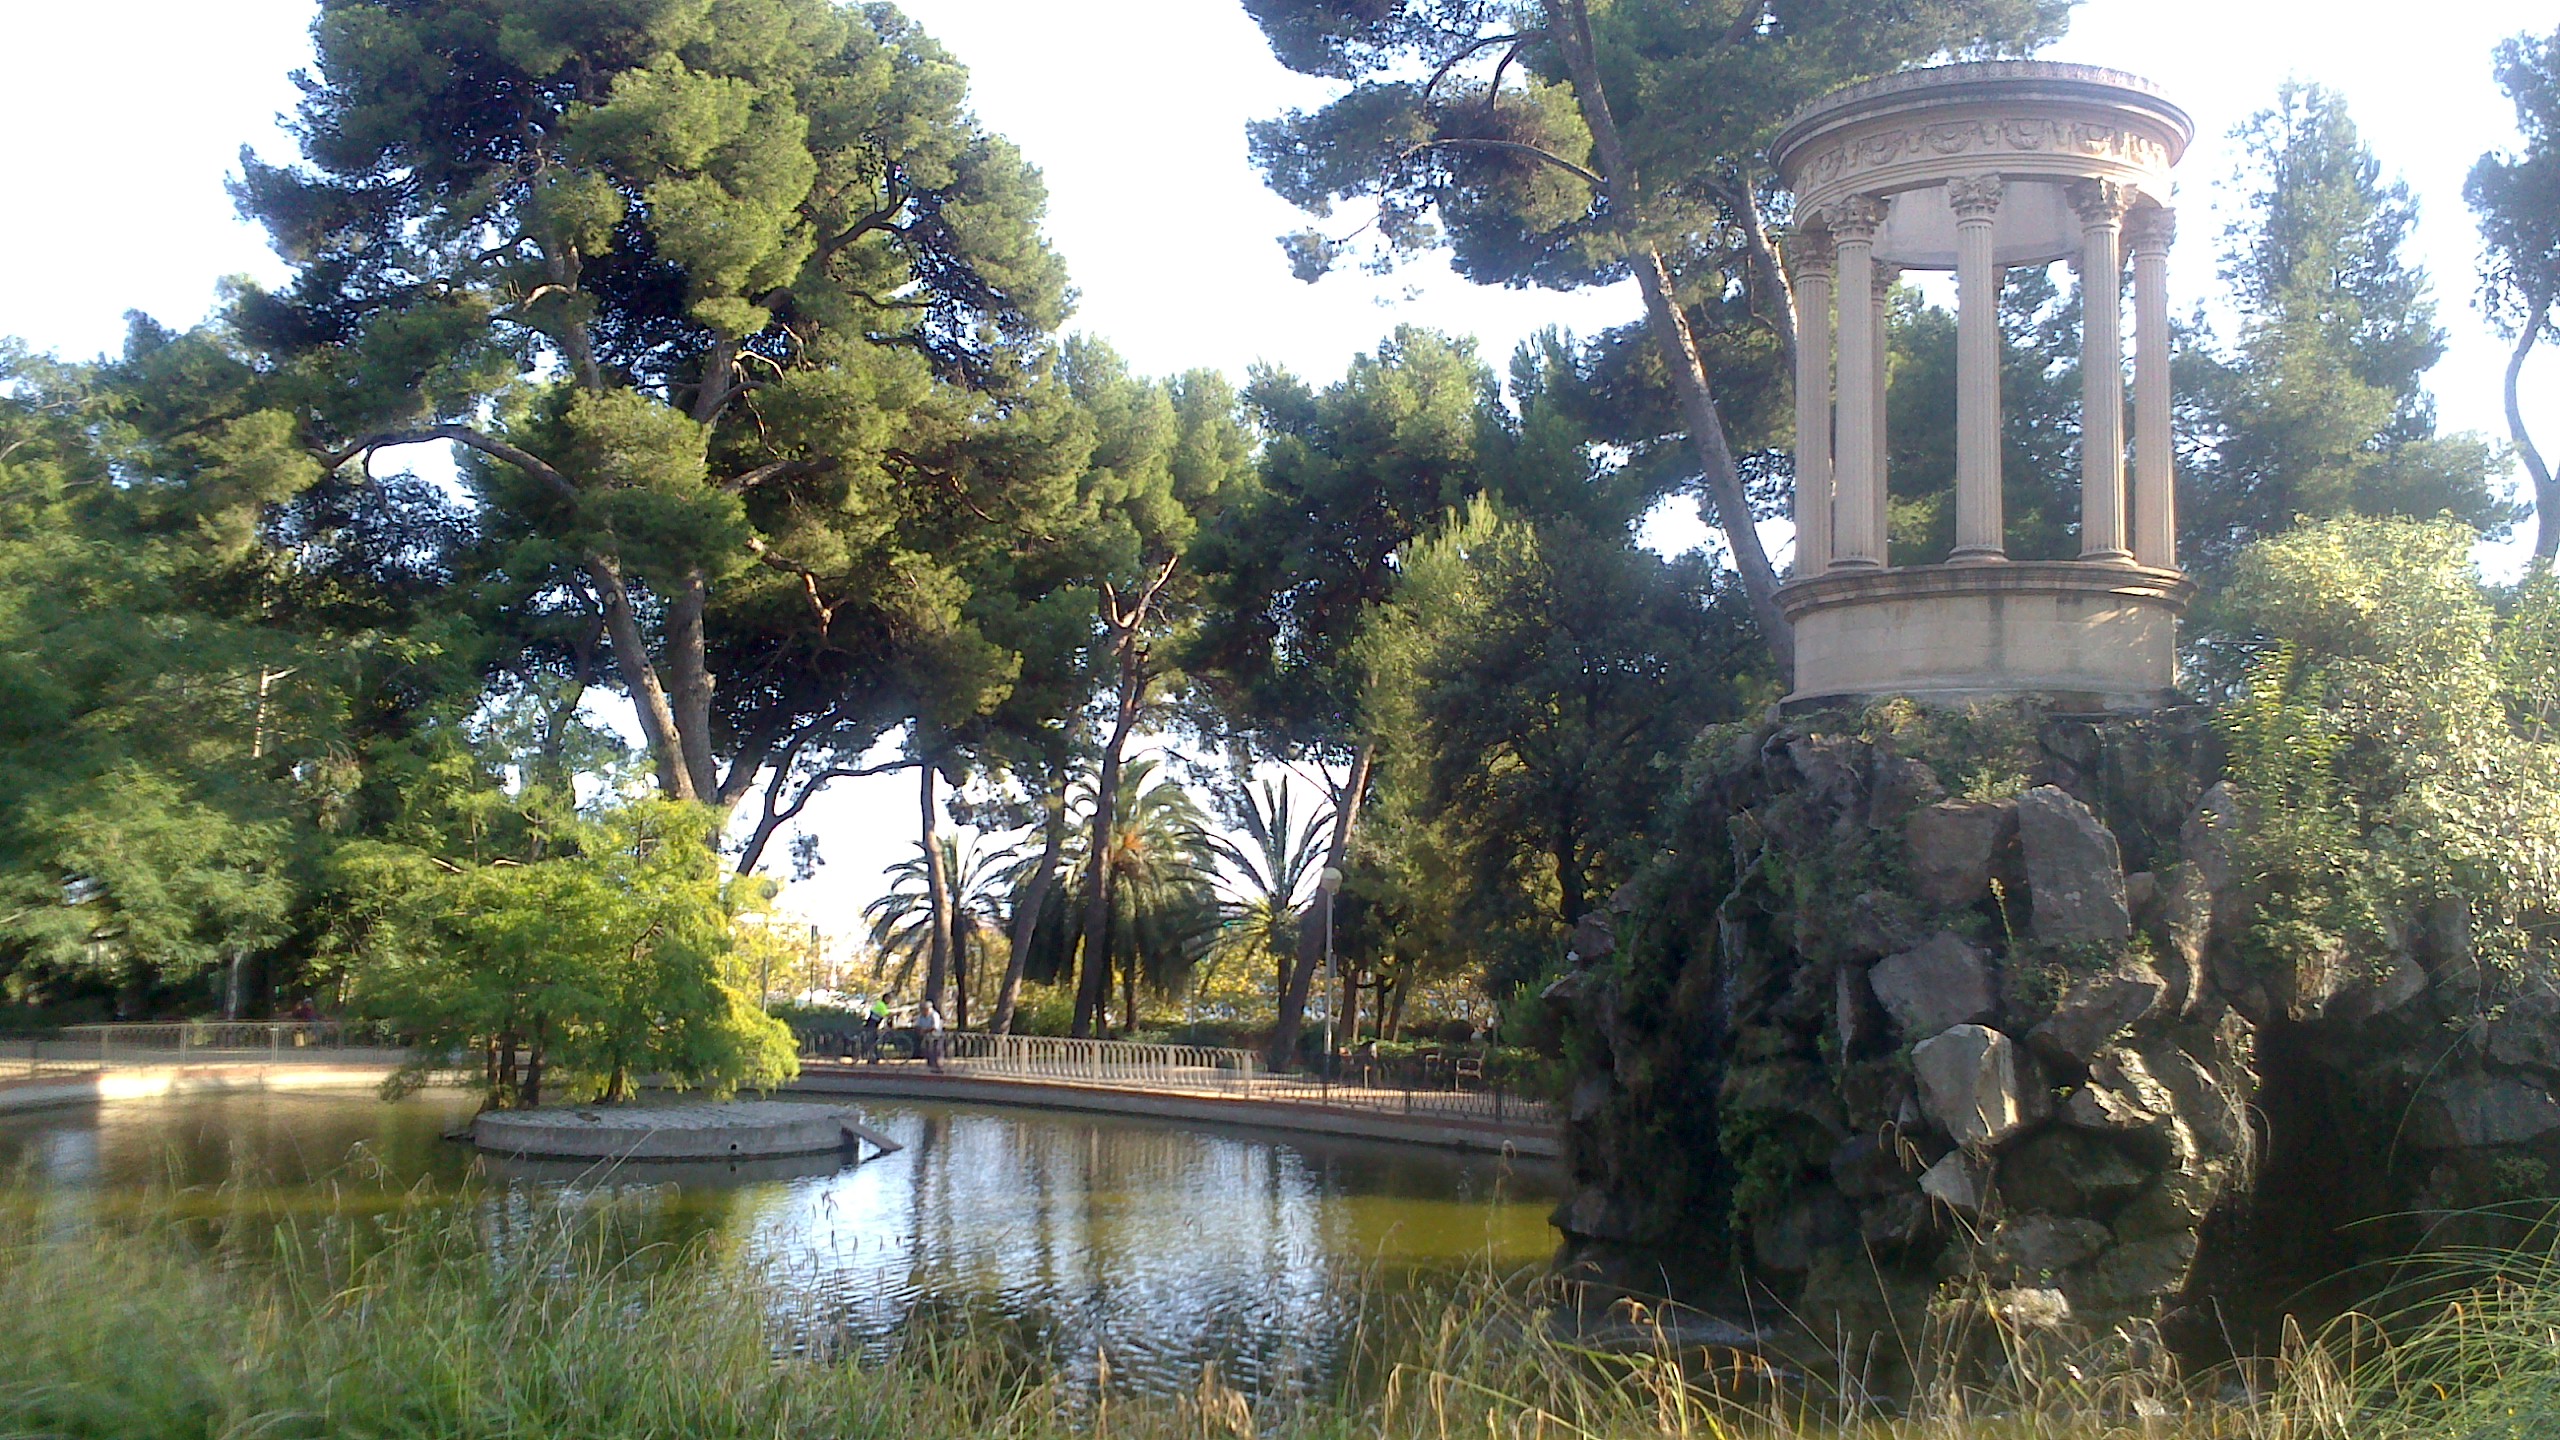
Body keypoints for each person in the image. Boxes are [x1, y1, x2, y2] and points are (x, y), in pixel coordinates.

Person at [916, 999, 945, 1073]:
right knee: (928, 1050)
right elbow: (918, 1025)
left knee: (937, 1051)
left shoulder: (934, 1015)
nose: (923, 1011)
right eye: (922, 1010)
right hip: (927, 1036)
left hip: (936, 1035)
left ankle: (939, 1067)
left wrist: (925, 1030)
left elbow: (935, 1027)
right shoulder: (921, 1016)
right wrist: (920, 1030)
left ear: (929, 1009)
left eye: (924, 1010)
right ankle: (932, 1066)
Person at [860, 995, 885, 1065]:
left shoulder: (881, 1004)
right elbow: (887, 1014)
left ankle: (872, 1058)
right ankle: (871, 1058)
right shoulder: (881, 1005)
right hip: (872, 1025)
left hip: (873, 1025)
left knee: (873, 1041)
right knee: (872, 1042)